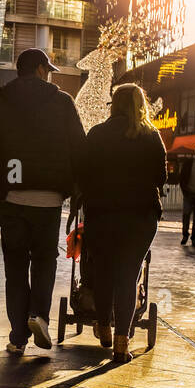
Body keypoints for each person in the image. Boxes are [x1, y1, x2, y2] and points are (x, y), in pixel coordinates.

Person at [0, 48, 87, 355]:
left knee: (15, 266)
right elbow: (78, 148)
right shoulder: (62, 102)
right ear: (40, 69)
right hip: (49, 200)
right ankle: (38, 314)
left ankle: (17, 337)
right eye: (48, 69)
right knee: (44, 260)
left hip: (11, 198)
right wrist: (74, 190)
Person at [78, 82, 165, 363]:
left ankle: (103, 326)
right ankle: (121, 343)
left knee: (103, 272)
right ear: (141, 105)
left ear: (113, 104)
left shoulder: (97, 134)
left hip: (101, 214)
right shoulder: (151, 137)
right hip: (139, 217)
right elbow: (160, 179)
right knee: (128, 276)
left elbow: (83, 172)